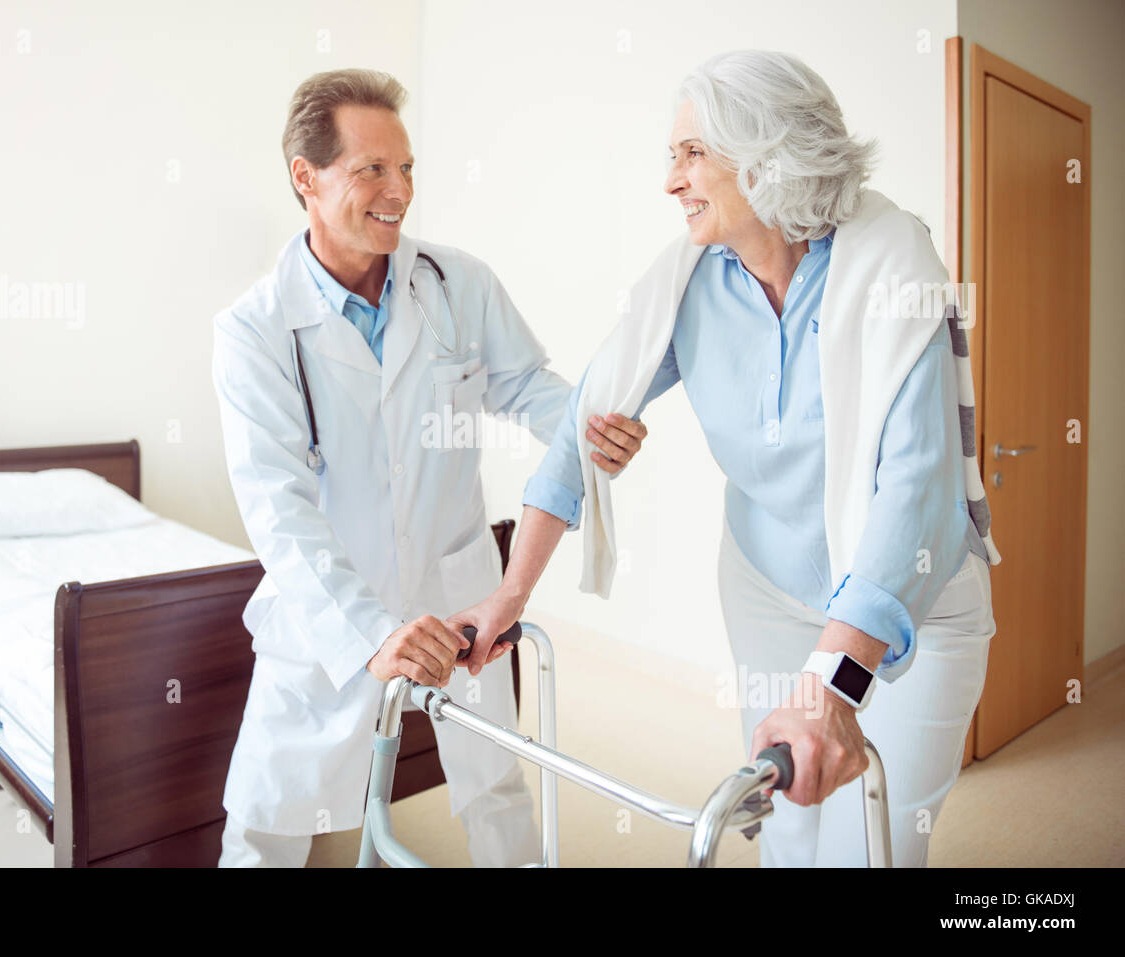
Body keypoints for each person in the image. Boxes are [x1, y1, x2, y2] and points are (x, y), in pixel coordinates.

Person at [450, 50, 999, 867]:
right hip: (768, 590)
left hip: (912, 599)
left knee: (868, 843)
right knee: (783, 823)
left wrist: (832, 686)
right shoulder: (691, 283)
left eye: (692, 153)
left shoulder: (892, 262)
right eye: (673, 156)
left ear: (770, 151)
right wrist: (508, 593)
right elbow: (579, 432)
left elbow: (917, 488)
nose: (671, 180)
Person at [210, 68, 649, 867]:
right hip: (329, 609)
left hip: (456, 589)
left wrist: (588, 430)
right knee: (271, 816)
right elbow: (278, 508)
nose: (398, 190)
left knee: (494, 784)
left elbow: (526, 389)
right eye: (370, 169)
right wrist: (371, 633)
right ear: (305, 178)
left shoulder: (457, 283)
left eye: (406, 167)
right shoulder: (255, 329)